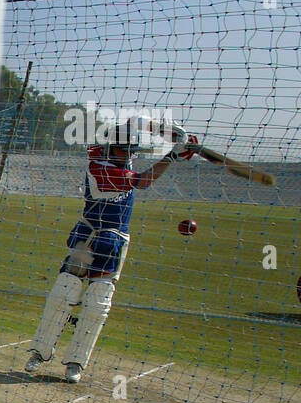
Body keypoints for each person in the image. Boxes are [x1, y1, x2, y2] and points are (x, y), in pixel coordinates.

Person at [25, 118, 198, 383]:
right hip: (88, 237)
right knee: (64, 292)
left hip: (113, 240)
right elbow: (142, 182)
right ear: (110, 148)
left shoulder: (120, 154)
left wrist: (174, 135)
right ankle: (40, 351)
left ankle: (75, 362)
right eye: (123, 150)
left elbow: (136, 122)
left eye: (131, 151)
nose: (128, 155)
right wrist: (173, 156)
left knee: (98, 302)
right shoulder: (99, 168)